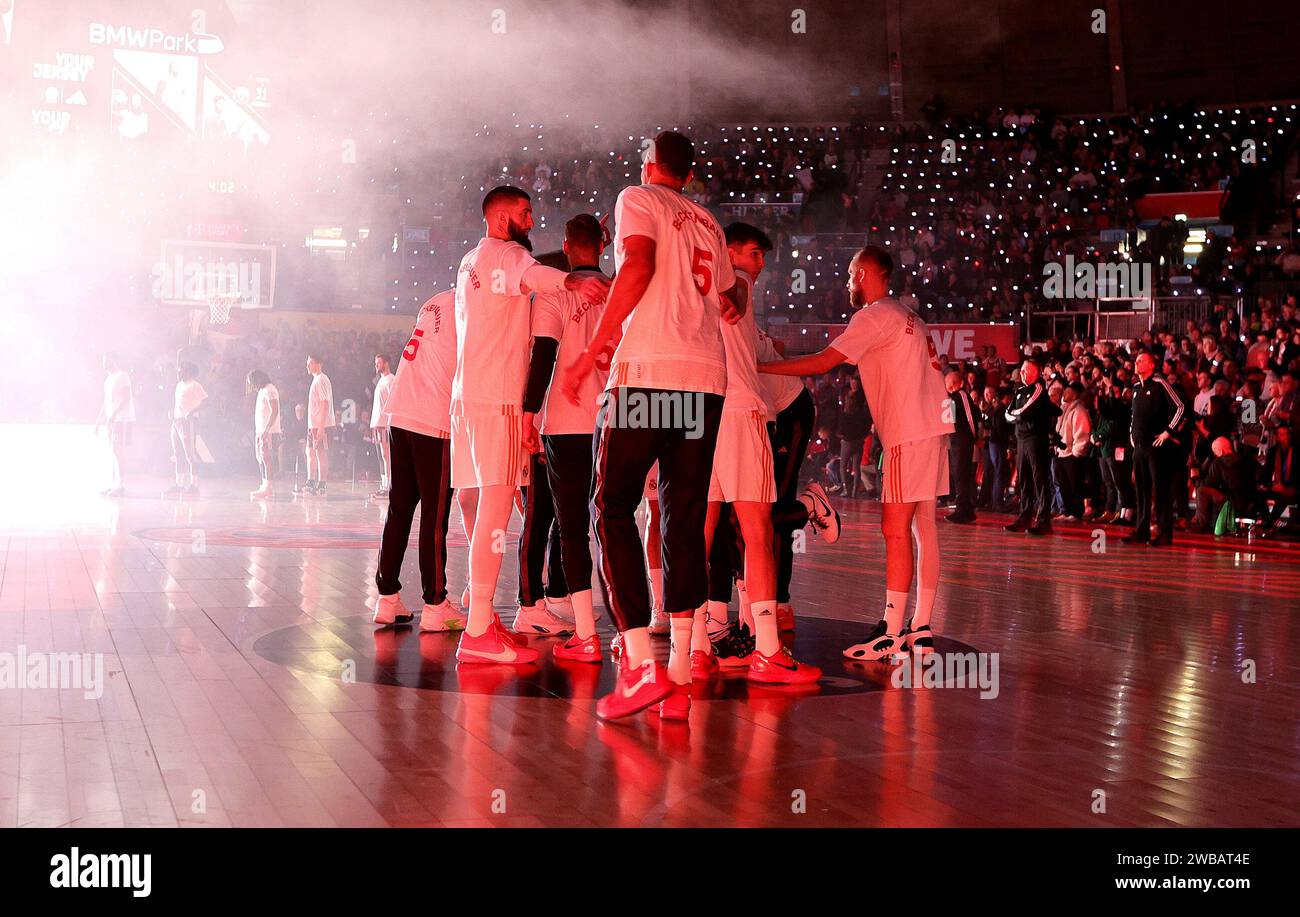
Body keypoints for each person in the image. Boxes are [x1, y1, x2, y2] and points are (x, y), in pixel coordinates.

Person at [555, 131, 746, 719]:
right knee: (684, 518)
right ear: (689, 174)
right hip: (704, 381)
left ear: (649, 165)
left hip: (648, 378)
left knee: (612, 506)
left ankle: (639, 664)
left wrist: (594, 349)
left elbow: (639, 263)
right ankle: (682, 674)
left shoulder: (638, 197)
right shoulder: (710, 223)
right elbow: (730, 295)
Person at [760, 245, 953, 661]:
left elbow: (823, 362)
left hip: (908, 432)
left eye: (851, 274)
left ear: (865, 273)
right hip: (934, 429)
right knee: (924, 529)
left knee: (895, 530)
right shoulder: (910, 316)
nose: (848, 282)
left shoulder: (874, 315)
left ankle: (890, 629)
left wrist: (760, 365)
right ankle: (920, 627)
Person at [452, 185, 610, 666]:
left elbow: (531, 267)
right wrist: (574, 282)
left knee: (485, 511)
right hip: (499, 398)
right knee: (498, 516)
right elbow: (537, 272)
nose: (530, 218)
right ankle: (478, 630)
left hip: (467, 396)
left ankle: (482, 613)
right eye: (523, 213)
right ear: (500, 219)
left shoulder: (472, 259)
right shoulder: (508, 255)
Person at [691, 221, 822, 686]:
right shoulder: (735, 279)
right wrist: (738, 288)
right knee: (756, 531)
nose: (760, 263)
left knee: (699, 535)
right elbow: (739, 291)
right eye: (753, 253)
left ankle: (696, 648)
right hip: (742, 410)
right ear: (728, 251)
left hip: (697, 412)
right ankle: (768, 650)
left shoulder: (690, 280)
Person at [519, 213, 616, 656]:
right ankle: (636, 627)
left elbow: (543, 356)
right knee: (612, 522)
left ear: (565, 243)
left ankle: (585, 634)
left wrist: (528, 415)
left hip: (566, 421)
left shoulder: (556, 292)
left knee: (571, 524)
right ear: (603, 244)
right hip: (618, 419)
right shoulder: (620, 291)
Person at [371, 289, 467, 632]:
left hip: (401, 412)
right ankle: (436, 602)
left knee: (399, 507)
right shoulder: (470, 303)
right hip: (433, 417)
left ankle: (387, 597)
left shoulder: (434, 301)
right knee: (435, 512)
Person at [1125, 352, 1186, 545]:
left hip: (1155, 446)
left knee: (1160, 490)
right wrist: (1131, 436)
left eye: (1141, 360)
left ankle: (1164, 532)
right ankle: (1141, 530)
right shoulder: (1135, 388)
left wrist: (1168, 432)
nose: (1136, 363)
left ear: (1152, 365)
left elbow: (1180, 406)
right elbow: (1134, 416)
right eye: (1136, 361)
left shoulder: (1160, 384)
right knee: (1141, 490)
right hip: (1139, 447)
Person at [1003, 359, 1056, 535]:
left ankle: (1043, 520)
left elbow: (1024, 412)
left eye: (1025, 370)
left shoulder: (1038, 389)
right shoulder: (1019, 391)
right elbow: (1007, 414)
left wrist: (1016, 416)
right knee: (1023, 479)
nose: (1022, 373)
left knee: (1039, 479)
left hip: (1035, 439)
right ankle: (1024, 516)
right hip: (1021, 440)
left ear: (1035, 372)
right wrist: (1017, 417)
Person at [1187, 436, 1254, 534]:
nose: (1215, 454)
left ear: (1221, 451)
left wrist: (1194, 477)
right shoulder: (1246, 460)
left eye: (1215, 452)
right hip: (1248, 501)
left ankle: (1202, 525)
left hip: (1231, 502)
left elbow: (1208, 485)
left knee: (1202, 490)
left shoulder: (1218, 463)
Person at [166, 363, 206, 496]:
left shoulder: (195, 385)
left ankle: (194, 485)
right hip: (176, 421)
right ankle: (179, 484)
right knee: (177, 454)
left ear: (188, 372)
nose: (178, 373)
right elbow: (179, 402)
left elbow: (205, 402)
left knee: (190, 454)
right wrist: (172, 411)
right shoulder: (179, 385)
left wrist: (192, 411)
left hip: (188, 421)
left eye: (181, 371)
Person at [944, 369, 978, 523]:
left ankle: (963, 510)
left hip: (964, 440)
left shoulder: (962, 395)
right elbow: (947, 421)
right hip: (955, 441)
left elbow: (970, 418)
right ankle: (964, 509)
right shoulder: (950, 398)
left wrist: (972, 437)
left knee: (962, 474)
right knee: (958, 475)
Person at [298, 354, 335, 496]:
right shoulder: (317, 380)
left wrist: (321, 427)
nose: (307, 366)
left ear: (318, 364)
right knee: (310, 452)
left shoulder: (321, 380)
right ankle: (311, 482)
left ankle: (321, 485)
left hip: (321, 424)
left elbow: (324, 403)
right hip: (314, 424)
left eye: (310, 363)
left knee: (320, 453)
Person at [97, 354, 134, 497]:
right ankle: (113, 484)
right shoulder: (108, 380)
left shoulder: (122, 376)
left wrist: (113, 416)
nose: (104, 362)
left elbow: (126, 397)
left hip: (121, 419)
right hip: (111, 420)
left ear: (114, 360)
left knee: (118, 451)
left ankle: (120, 485)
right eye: (103, 359)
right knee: (113, 451)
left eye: (107, 359)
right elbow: (106, 402)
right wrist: (98, 421)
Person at [247, 370, 280, 499]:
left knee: (267, 458)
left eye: (253, 383)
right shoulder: (262, 391)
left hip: (269, 431)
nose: (253, 386)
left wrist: (267, 430)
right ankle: (264, 483)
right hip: (261, 430)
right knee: (260, 457)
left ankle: (269, 487)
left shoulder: (270, 390)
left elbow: (275, 410)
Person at [370, 354, 396, 499]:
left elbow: (393, 402)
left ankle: (388, 486)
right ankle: (384, 484)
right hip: (377, 423)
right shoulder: (380, 381)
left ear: (386, 363)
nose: (376, 366)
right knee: (381, 456)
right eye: (376, 363)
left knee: (387, 455)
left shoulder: (391, 380)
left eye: (379, 363)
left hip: (385, 423)